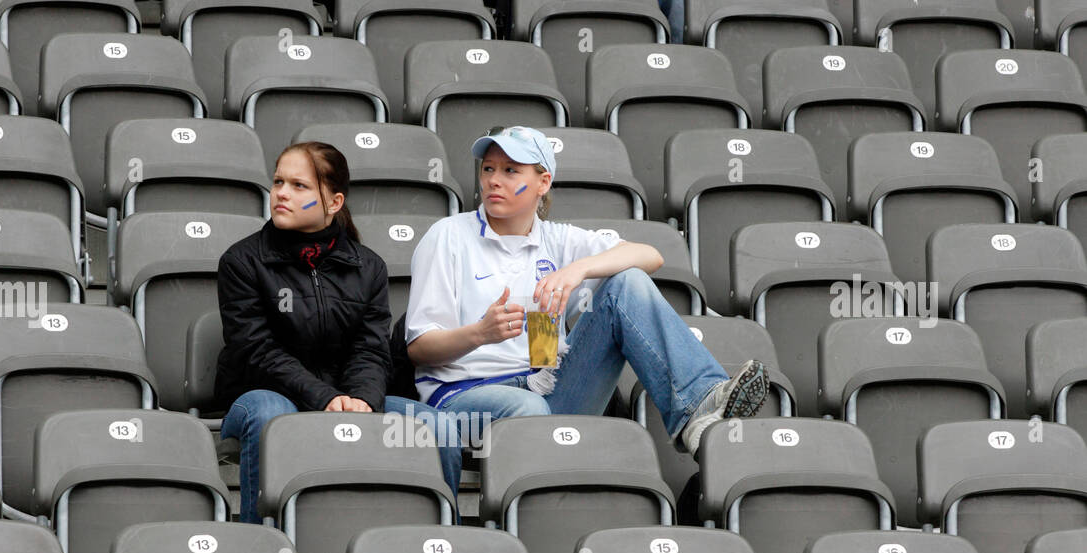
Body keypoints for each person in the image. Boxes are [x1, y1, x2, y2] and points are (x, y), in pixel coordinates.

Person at [405, 125, 768, 458]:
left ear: (542, 182)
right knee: (529, 409)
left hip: (547, 385)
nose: (494, 181)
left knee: (627, 281)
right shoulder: (448, 235)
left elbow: (650, 256)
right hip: (464, 397)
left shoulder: (557, 239)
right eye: (488, 169)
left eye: (510, 170)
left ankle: (697, 408)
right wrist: (479, 334)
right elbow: (420, 349)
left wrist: (578, 270)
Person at [215, 141, 462, 523]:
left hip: (346, 396)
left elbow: (371, 350)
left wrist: (362, 399)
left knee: (437, 427)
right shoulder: (243, 261)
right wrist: (326, 397)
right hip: (264, 394)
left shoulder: (368, 267)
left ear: (334, 202)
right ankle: (258, 541)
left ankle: (445, 544)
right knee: (268, 416)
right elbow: (256, 350)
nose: (281, 193)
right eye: (278, 181)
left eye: (299, 186)